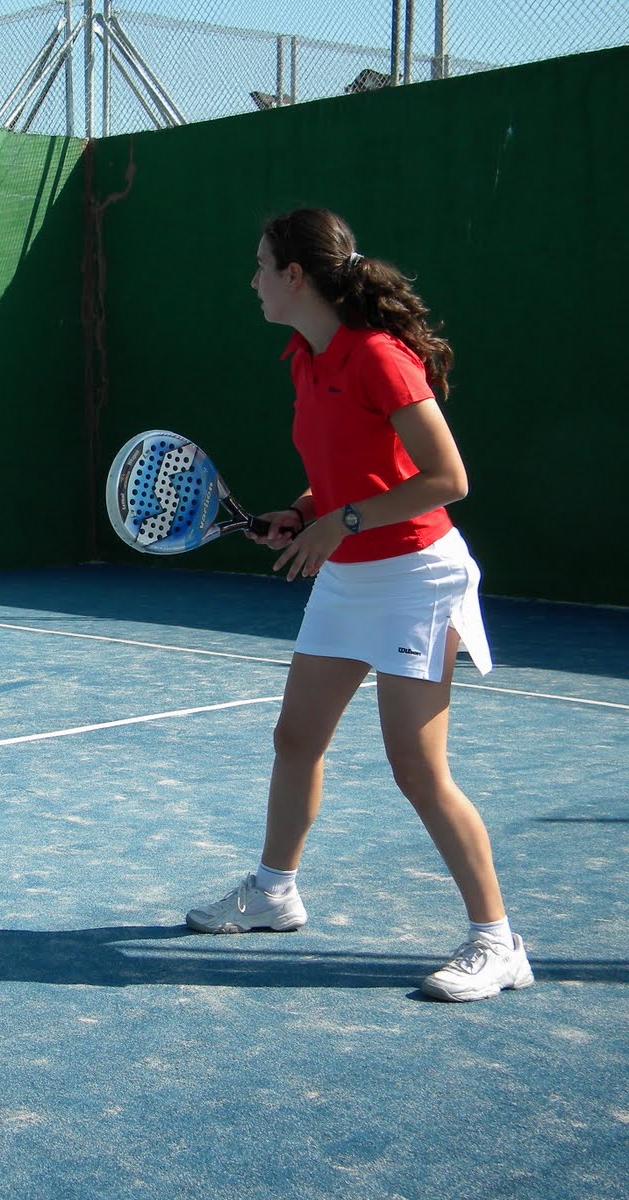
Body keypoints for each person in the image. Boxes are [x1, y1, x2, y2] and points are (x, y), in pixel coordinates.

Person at [184, 207, 531, 1003]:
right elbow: (351, 472)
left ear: (295, 276)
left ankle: (498, 941)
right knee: (296, 737)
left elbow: (446, 478)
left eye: (261, 265)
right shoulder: (305, 359)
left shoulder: (378, 356)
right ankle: (274, 892)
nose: (253, 280)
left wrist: (338, 522)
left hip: (418, 577)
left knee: (418, 769)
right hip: (349, 574)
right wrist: (306, 511)